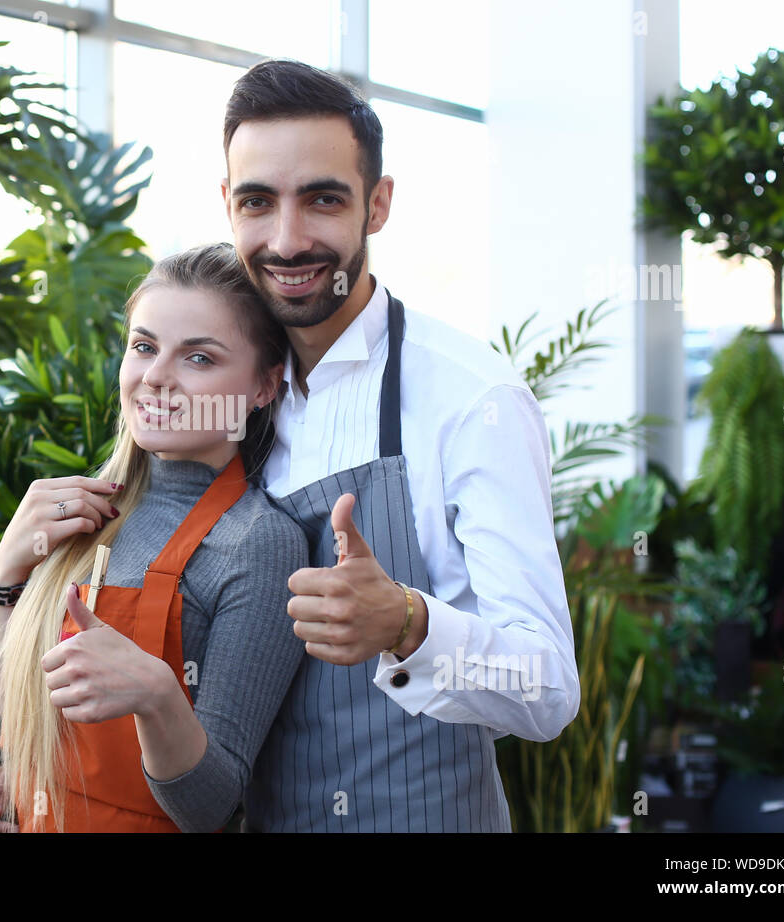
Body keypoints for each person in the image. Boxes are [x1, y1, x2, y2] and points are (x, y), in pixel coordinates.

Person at [220, 59, 581, 831]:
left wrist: (410, 624)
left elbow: (549, 691)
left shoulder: (473, 399)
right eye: (259, 202)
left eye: (323, 199)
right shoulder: (231, 398)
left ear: (377, 205)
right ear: (228, 206)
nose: (287, 240)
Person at [0, 242, 308, 833]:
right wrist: (5, 578)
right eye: (144, 347)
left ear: (264, 385)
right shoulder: (79, 515)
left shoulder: (258, 542)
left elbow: (208, 807)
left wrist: (157, 694)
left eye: (199, 358)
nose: (155, 378)